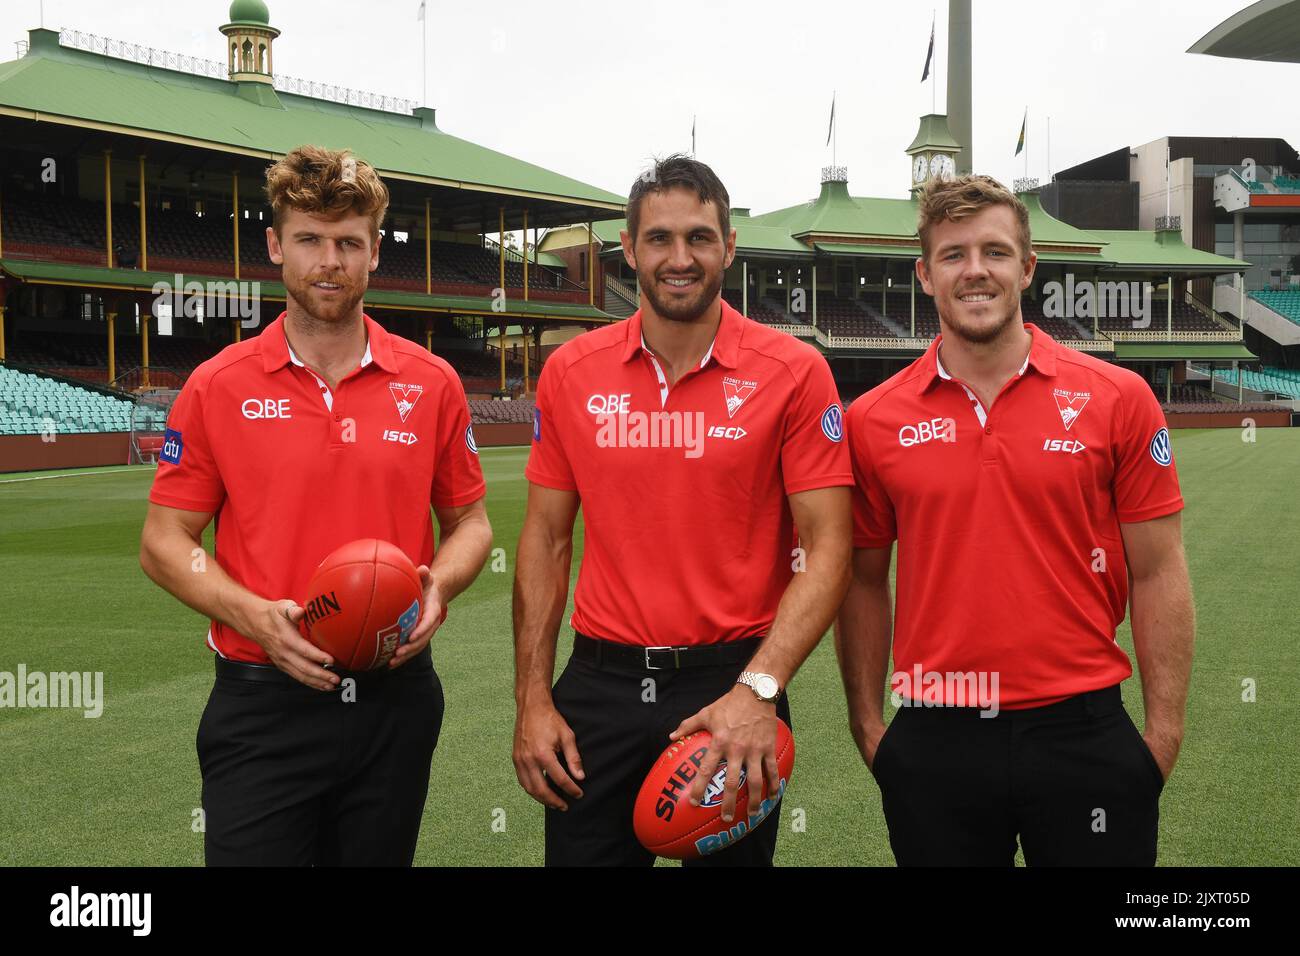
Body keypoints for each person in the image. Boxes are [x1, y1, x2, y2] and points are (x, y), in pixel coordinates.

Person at [139, 145, 492, 866]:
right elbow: (164, 541)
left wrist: (439, 585)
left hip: (395, 697)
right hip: (261, 703)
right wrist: (255, 618)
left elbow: (471, 525)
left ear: (373, 255)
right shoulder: (217, 385)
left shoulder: (432, 383)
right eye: (309, 239)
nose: (328, 261)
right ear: (276, 246)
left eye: (347, 243)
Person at [836, 173, 1194, 866]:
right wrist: (871, 726)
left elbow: (1158, 571)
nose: (976, 271)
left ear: (1027, 268)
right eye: (953, 254)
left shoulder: (1119, 398)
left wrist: (1161, 738)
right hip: (935, 735)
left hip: (1084, 730)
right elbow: (861, 580)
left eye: (995, 252)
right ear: (925, 274)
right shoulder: (872, 419)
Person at [512, 154, 853, 866]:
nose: (679, 258)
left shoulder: (793, 372)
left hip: (732, 685)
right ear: (629, 250)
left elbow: (829, 550)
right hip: (598, 688)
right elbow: (545, 540)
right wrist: (532, 700)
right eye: (660, 239)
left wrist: (759, 690)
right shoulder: (572, 372)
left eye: (699, 237)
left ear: (728, 246)